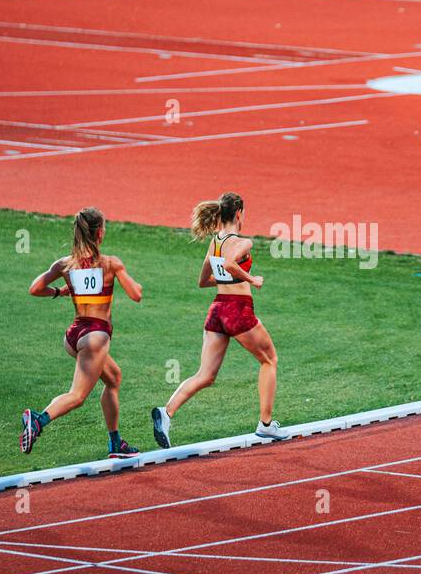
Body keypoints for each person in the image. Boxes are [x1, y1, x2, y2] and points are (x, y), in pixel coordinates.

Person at [151, 191, 286, 449]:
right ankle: (266, 425)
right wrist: (251, 279)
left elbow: (204, 281)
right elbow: (231, 264)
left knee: (206, 374)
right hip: (237, 309)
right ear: (238, 214)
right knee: (269, 360)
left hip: (217, 310)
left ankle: (165, 413)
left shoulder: (214, 242)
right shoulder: (243, 242)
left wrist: (229, 277)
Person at [19, 207, 143, 458]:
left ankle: (115, 442)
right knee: (77, 396)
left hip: (75, 335)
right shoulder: (110, 263)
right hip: (95, 337)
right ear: (99, 233)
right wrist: (130, 280)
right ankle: (38, 421)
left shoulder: (65, 264)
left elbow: (35, 288)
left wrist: (58, 292)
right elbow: (136, 295)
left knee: (114, 378)